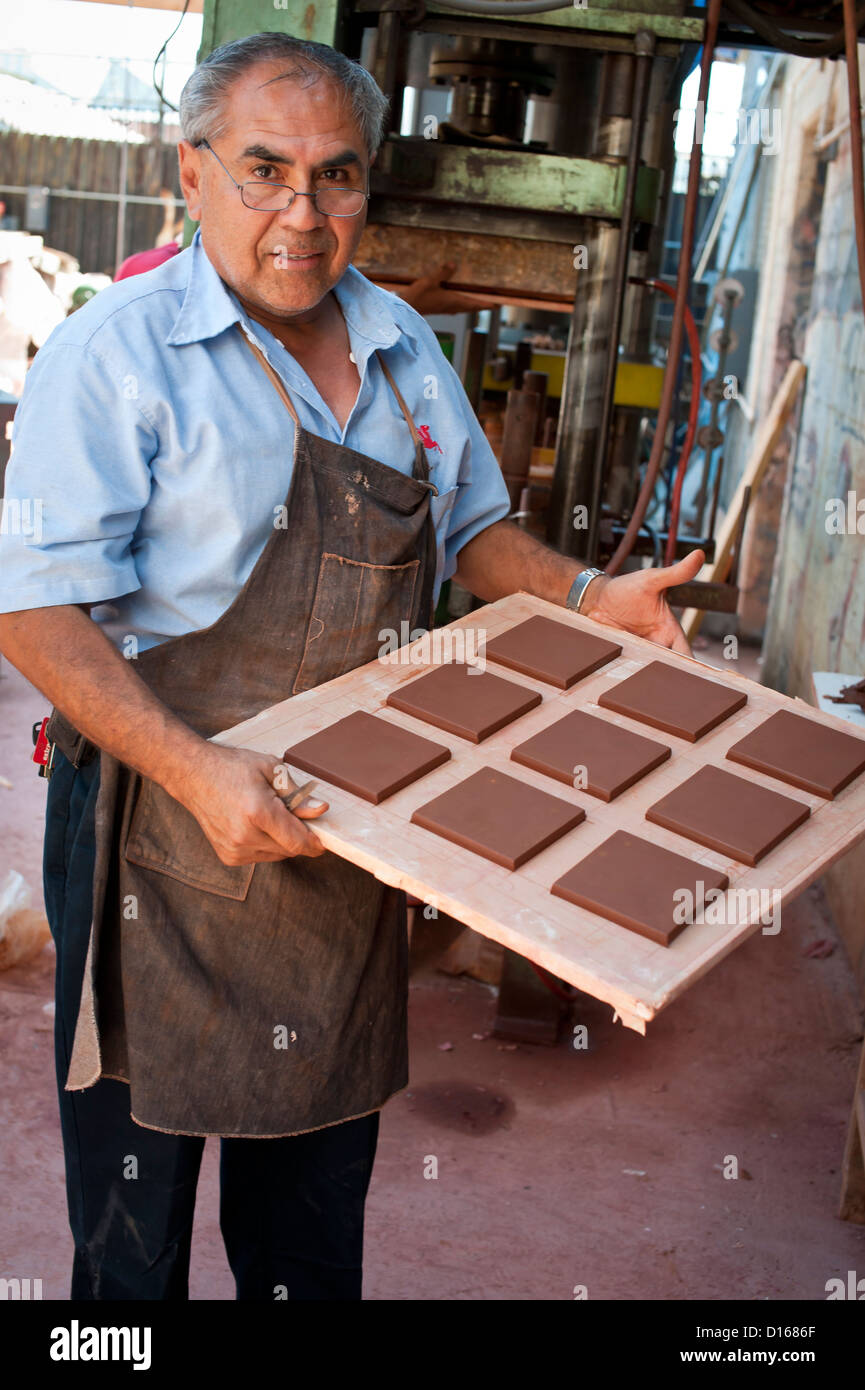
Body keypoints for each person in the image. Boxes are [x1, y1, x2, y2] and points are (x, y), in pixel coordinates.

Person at [0, 31, 703, 1302]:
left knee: (312, 1236)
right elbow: (36, 615)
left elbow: (473, 529)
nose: (302, 215)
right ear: (192, 171)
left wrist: (594, 594)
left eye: (337, 176)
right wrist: (200, 770)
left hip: (341, 831)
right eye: (264, 170)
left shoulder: (400, 344)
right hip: (154, 816)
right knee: (129, 1242)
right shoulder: (120, 352)